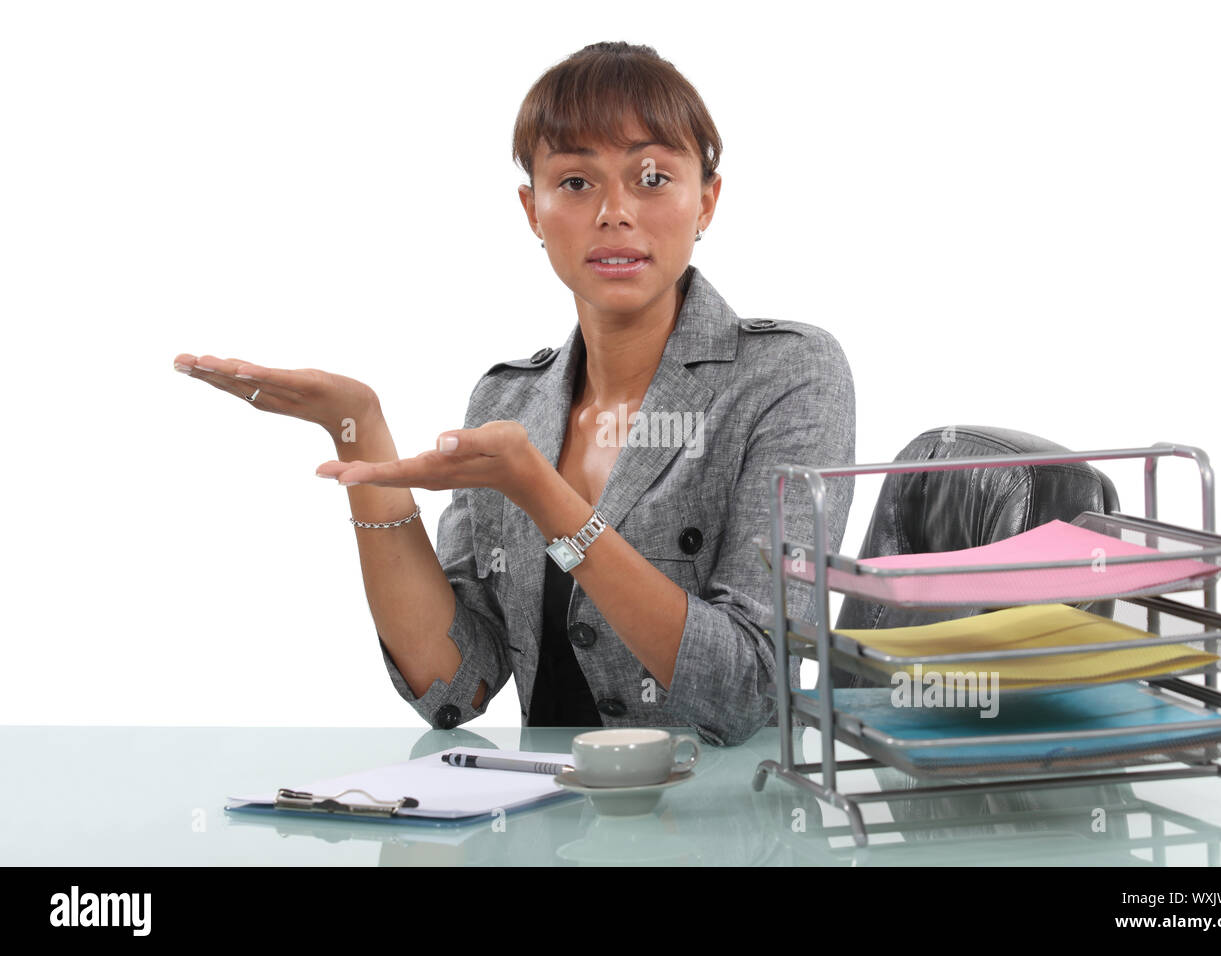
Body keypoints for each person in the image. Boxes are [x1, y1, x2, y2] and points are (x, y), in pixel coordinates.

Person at [172, 41, 854, 746]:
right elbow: (456, 681)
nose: (614, 212)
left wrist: (545, 496)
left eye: (651, 177)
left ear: (706, 200)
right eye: (576, 183)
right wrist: (358, 430)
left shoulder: (789, 377)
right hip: (546, 833)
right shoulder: (507, 403)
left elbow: (750, 686)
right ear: (533, 210)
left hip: (722, 837)